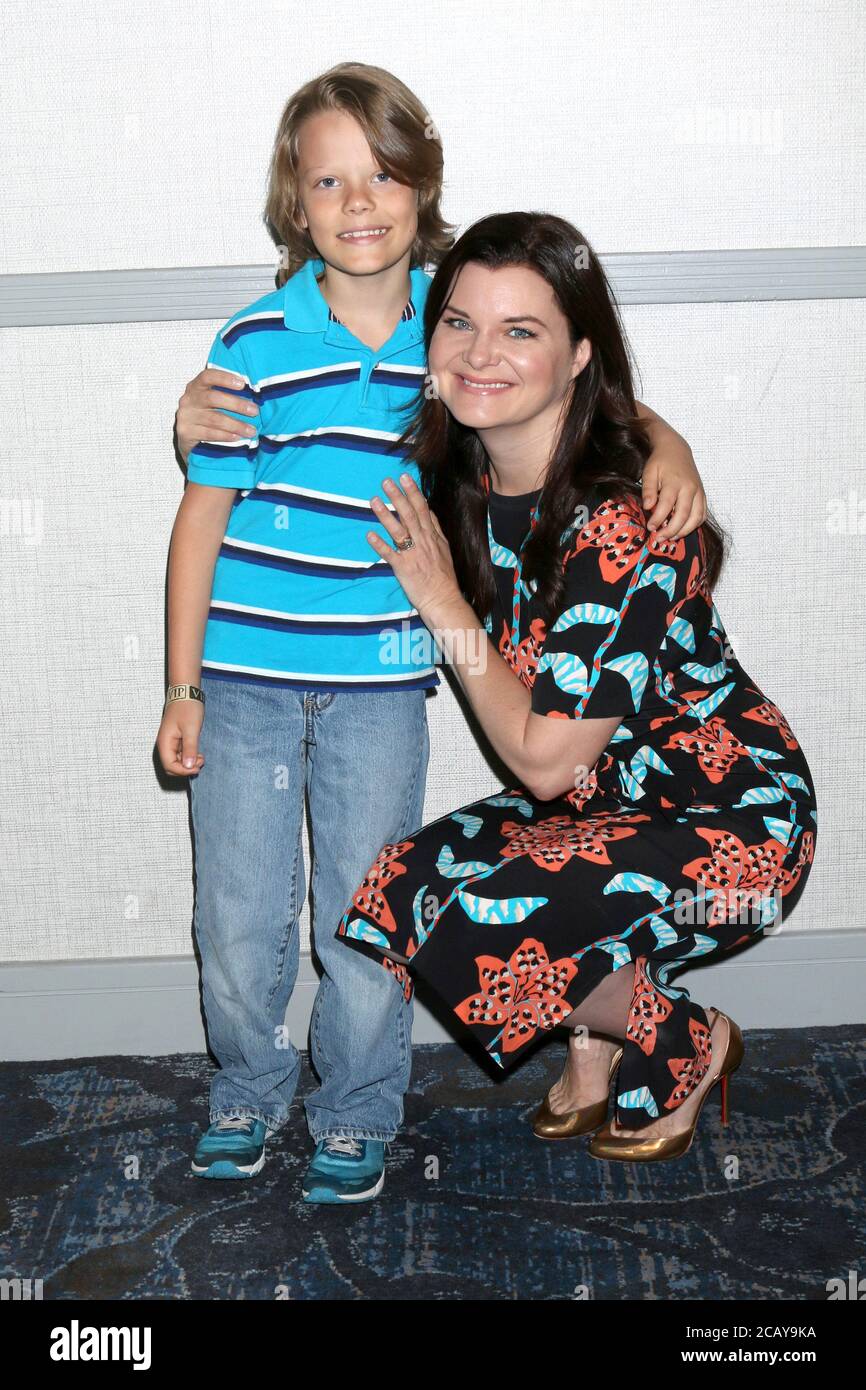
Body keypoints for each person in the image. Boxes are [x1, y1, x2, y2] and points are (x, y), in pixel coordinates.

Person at [163, 63, 707, 1203]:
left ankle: (358, 1107)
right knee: (236, 911)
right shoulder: (257, 335)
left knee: (368, 908)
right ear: (293, 202)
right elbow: (200, 514)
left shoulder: (447, 320)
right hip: (245, 676)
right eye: (328, 181)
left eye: (384, 174)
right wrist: (182, 687)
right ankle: (247, 1091)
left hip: (380, 684)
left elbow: (574, 375)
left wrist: (669, 445)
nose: (359, 202)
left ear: (423, 185)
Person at [335, 210, 817, 1162]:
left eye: (522, 332)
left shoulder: (618, 528)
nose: (480, 355)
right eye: (459, 323)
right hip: (612, 812)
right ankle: (597, 1047)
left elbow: (546, 766)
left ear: (577, 354)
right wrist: (204, 405)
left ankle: (681, 1039)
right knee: (405, 888)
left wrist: (441, 601)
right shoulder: (467, 467)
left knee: (480, 925)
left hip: (734, 833)